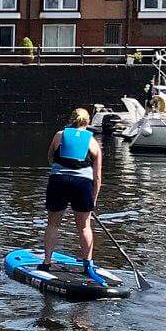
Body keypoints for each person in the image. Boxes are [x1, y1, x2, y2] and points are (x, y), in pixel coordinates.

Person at [41, 107, 105, 281]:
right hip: (82, 184)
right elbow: (97, 176)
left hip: (59, 182)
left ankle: (47, 262)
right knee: (84, 226)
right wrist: (94, 198)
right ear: (88, 122)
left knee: (53, 223)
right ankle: (87, 264)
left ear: (71, 120)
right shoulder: (92, 142)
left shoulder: (59, 135)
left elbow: (50, 158)